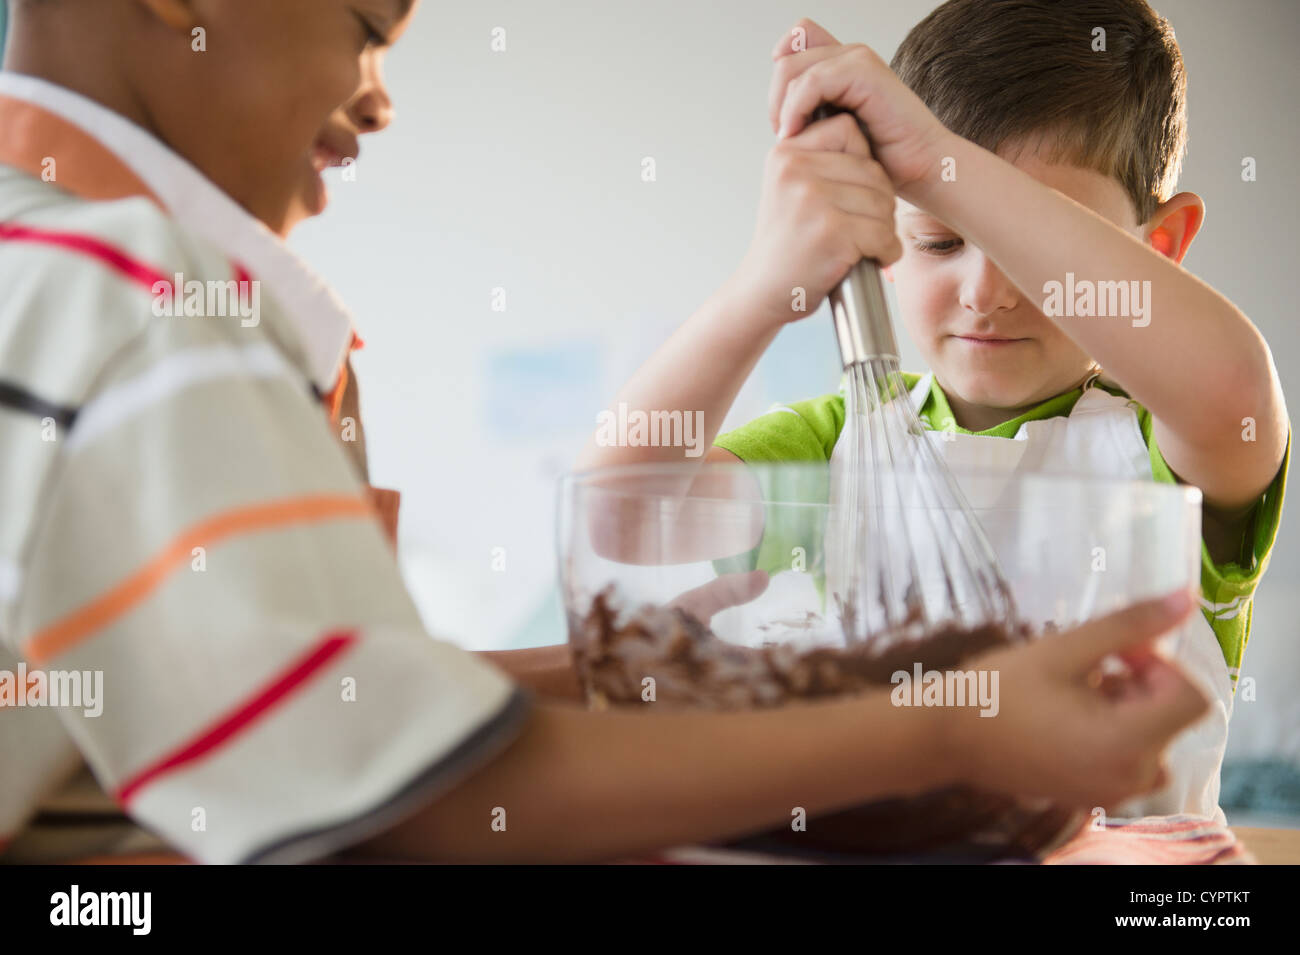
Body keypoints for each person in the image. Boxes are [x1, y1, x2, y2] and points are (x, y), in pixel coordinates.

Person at [0, 0, 1208, 864]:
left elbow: (251, 699)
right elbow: (410, 777)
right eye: (372, 29)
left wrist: (933, 162)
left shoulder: (1164, 433)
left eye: (1039, 245)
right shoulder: (146, 310)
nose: (378, 97)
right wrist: (948, 724)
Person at [578, 3, 1290, 822]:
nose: (986, 292)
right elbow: (622, 515)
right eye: (942, 241)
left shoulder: (1174, 448)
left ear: (1158, 248)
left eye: (1036, 245)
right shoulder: (838, 445)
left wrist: (937, 162)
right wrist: (760, 289)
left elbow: (1233, 389)